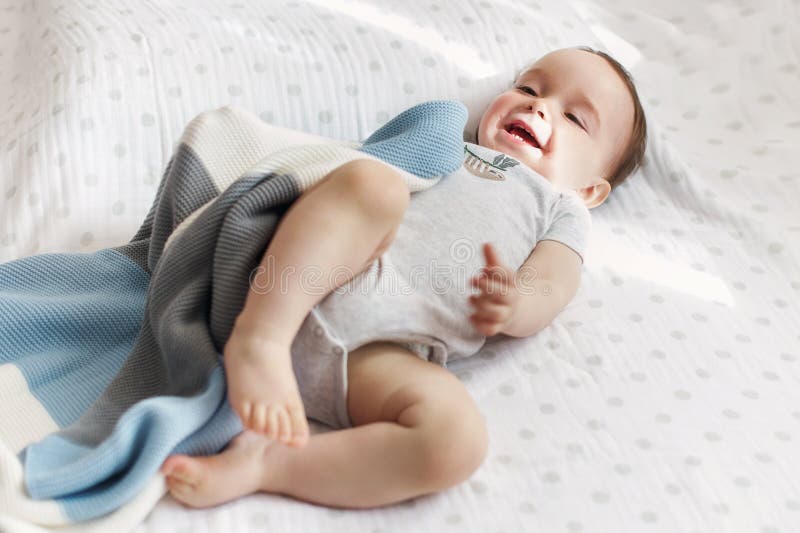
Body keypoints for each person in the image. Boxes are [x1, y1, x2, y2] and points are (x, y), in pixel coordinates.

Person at [160, 46, 647, 509]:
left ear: (590, 189)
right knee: (374, 185)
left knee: (458, 440)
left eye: (574, 117)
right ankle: (261, 339)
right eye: (529, 88)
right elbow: (347, 165)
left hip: (382, 353)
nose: (539, 108)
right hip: (317, 276)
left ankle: (269, 464)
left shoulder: (562, 207)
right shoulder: (445, 143)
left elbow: (554, 284)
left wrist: (516, 304)